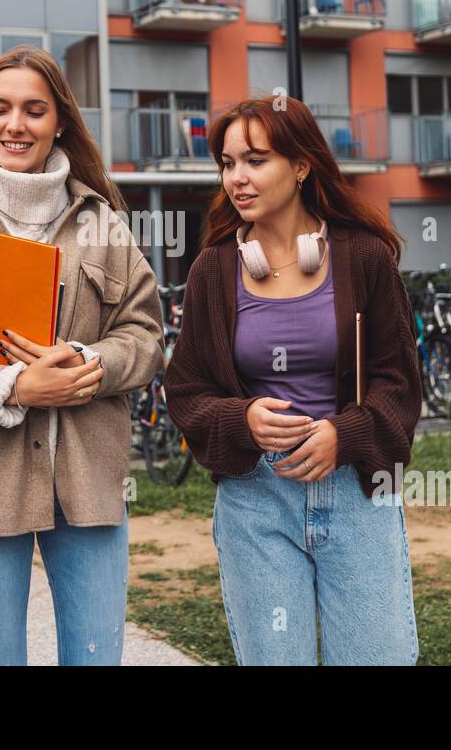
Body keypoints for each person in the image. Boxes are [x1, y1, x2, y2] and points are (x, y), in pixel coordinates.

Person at [0, 45, 164, 665]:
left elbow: (145, 336)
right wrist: (9, 388)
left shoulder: (104, 222)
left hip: (89, 484)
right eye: (0, 109)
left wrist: (86, 365)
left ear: (60, 122)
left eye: (34, 110)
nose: (15, 125)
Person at [164, 95, 422, 666]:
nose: (238, 177)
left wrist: (345, 434)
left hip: (356, 493)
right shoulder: (214, 269)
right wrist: (241, 419)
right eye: (228, 163)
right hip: (256, 499)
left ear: (301, 165)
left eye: (255, 160)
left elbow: (398, 381)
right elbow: (184, 391)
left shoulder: (364, 257)